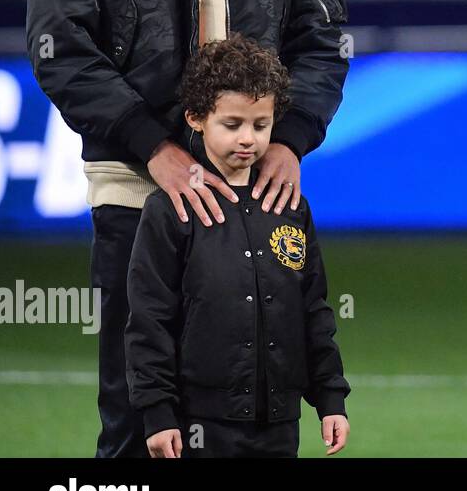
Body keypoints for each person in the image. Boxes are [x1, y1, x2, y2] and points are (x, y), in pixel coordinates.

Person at [25, 0, 350, 458]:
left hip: (252, 195)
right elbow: (60, 47)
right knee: (142, 426)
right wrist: (154, 150)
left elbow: (322, 35)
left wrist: (292, 141)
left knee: (256, 417)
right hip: (139, 197)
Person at [125, 34, 350, 458]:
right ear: (196, 118)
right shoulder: (170, 211)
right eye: (232, 125)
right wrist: (157, 412)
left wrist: (330, 400)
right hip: (201, 424)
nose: (248, 138)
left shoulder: (290, 208)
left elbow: (313, 309)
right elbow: (149, 317)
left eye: (261, 125)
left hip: (280, 423)